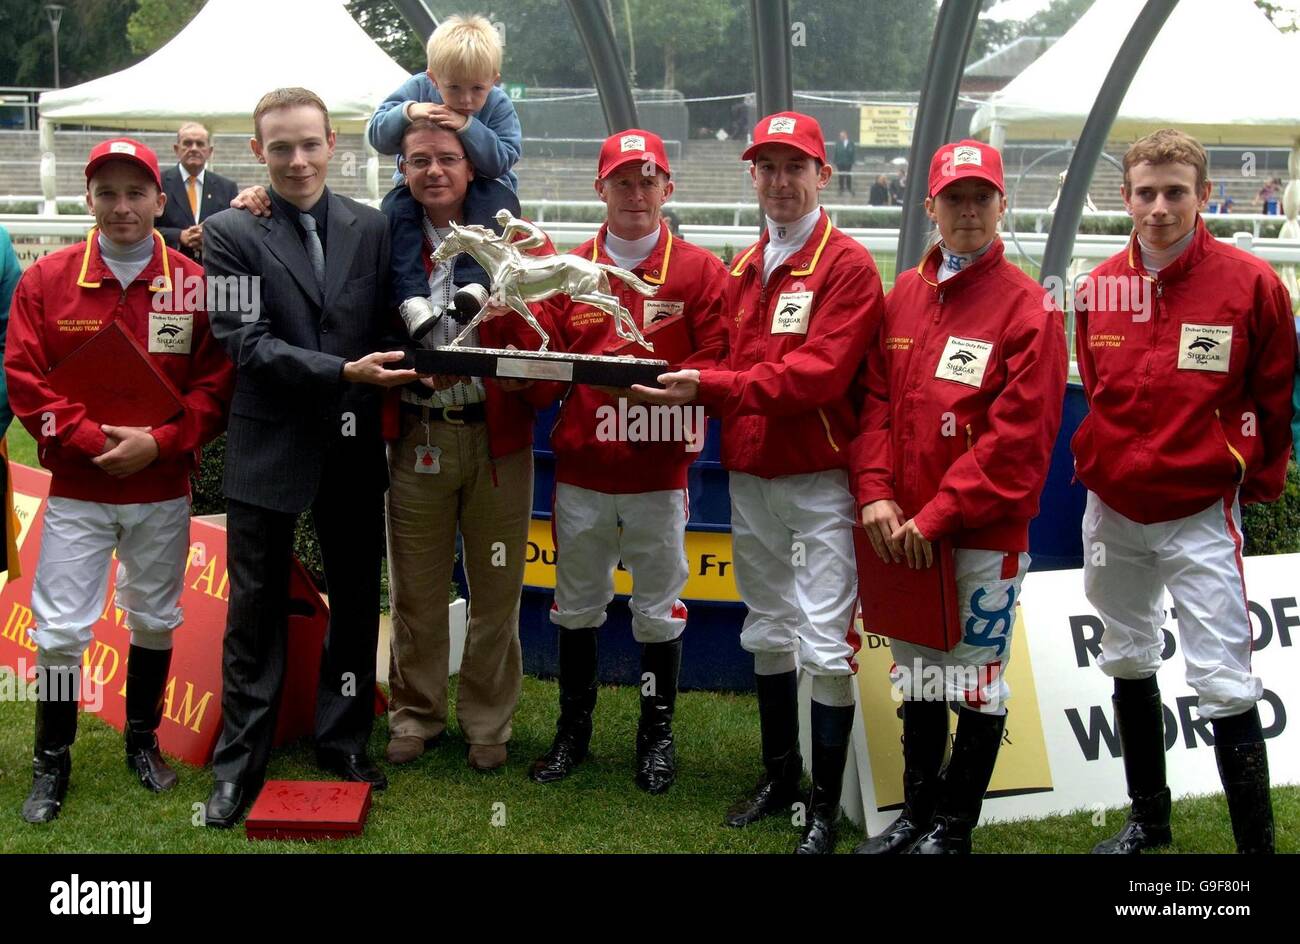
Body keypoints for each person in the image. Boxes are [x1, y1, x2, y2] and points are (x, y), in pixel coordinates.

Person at [635, 111, 884, 853]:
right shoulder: (746, 267)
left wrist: (710, 384)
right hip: (752, 471)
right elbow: (725, 359)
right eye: (767, 168)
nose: (780, 182)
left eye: (794, 167)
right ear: (753, 177)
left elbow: (817, 376)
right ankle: (780, 776)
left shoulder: (847, 265)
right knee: (769, 625)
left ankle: (821, 808)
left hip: (817, 477)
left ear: (822, 174)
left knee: (825, 638)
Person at [200, 88, 420, 829]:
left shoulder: (372, 225)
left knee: (357, 601)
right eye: (281, 147)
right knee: (253, 607)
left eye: (309, 144)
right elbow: (241, 342)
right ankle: (239, 762)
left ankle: (343, 739)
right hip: (270, 441)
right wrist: (343, 374)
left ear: (335, 144)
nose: (298, 160)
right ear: (258, 153)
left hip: (354, 449)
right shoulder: (229, 232)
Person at [1074, 128, 1296, 855]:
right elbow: (1097, 388)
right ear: (1126, 196)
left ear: (1205, 194)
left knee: (1225, 677)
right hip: (1112, 506)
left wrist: (1251, 481)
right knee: (1126, 652)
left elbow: (1274, 391)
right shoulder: (1098, 287)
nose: (1160, 207)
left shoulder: (1252, 283)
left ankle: (1254, 853)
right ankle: (1150, 821)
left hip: (1198, 512)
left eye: (1176, 192)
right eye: (1146, 192)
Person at [4, 137, 233, 823]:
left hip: (160, 488)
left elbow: (216, 384)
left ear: (161, 200)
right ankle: (52, 761)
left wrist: (160, 442)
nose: (123, 207)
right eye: (108, 193)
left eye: (136, 193)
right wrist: (89, 439)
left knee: (156, 618)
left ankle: (143, 741)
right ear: (90, 200)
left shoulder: (195, 283)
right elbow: (24, 377)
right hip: (80, 487)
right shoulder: (47, 278)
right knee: (59, 630)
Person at [850, 139, 1067, 855]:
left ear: (1003, 205)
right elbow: (876, 401)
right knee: (915, 676)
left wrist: (937, 515)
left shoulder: (1031, 307)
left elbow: (1017, 443)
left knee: (975, 683)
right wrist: (877, 492)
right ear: (930, 207)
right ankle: (914, 816)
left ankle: (953, 831)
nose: (967, 212)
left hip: (978, 534)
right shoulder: (905, 293)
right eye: (954, 199)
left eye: (981, 198)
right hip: (901, 531)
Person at [527, 130, 726, 795]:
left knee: (657, 608)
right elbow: (544, 370)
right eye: (622, 181)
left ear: (668, 189)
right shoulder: (567, 269)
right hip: (583, 471)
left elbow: (722, 367)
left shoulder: (700, 272)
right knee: (576, 605)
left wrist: (666, 384)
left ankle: (656, 737)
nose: (635, 194)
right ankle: (572, 732)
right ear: (600, 189)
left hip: (658, 475)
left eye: (647, 181)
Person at [382, 117, 550, 772]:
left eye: (446, 158)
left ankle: (487, 721)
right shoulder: (384, 239)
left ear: (471, 166)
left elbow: (546, 326)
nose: (433, 171)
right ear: (402, 170)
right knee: (416, 589)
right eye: (417, 160)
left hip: (493, 438)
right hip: (419, 431)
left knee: (497, 587)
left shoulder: (511, 237)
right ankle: (415, 714)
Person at [367, 13, 522, 340]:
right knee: (395, 212)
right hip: (411, 195)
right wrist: (409, 111)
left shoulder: (498, 103)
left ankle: (475, 284)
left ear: (494, 80)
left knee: (491, 212)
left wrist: (468, 128)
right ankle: (412, 298)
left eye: (477, 89)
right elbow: (377, 135)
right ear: (433, 79)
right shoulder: (417, 90)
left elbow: (504, 160)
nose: (465, 100)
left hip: (489, 190)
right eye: (454, 88)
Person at [156, 122, 239, 262]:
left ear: (210, 151)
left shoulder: (227, 188)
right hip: (169, 270)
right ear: (176, 149)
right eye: (187, 143)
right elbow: (146, 229)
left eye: (200, 144)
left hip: (214, 271)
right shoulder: (159, 183)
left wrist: (209, 236)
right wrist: (179, 236)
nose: (194, 148)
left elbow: (235, 231)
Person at [834, 130, 856, 195]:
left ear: (846, 135)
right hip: (840, 162)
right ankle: (841, 188)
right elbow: (836, 153)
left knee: (848, 175)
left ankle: (849, 187)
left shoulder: (851, 143)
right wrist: (835, 161)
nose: (841, 137)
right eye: (840, 136)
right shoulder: (838, 143)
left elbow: (853, 152)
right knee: (841, 175)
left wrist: (852, 161)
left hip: (848, 163)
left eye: (842, 135)